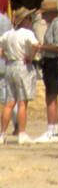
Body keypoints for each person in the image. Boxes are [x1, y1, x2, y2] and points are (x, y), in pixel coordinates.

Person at [0, 8, 39, 144]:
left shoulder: (9, 34)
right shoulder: (27, 33)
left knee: (9, 102)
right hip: (22, 65)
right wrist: (31, 57)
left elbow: (1, 48)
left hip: (10, 65)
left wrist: (6, 57)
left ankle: (2, 134)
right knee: (22, 102)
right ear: (25, 20)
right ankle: (22, 133)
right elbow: (35, 45)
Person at [34, 0, 58, 143]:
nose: (42, 17)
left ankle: (51, 131)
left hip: (54, 62)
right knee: (53, 98)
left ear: (51, 13)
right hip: (52, 62)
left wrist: (42, 47)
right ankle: (54, 130)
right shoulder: (53, 25)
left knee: (51, 98)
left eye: (44, 14)